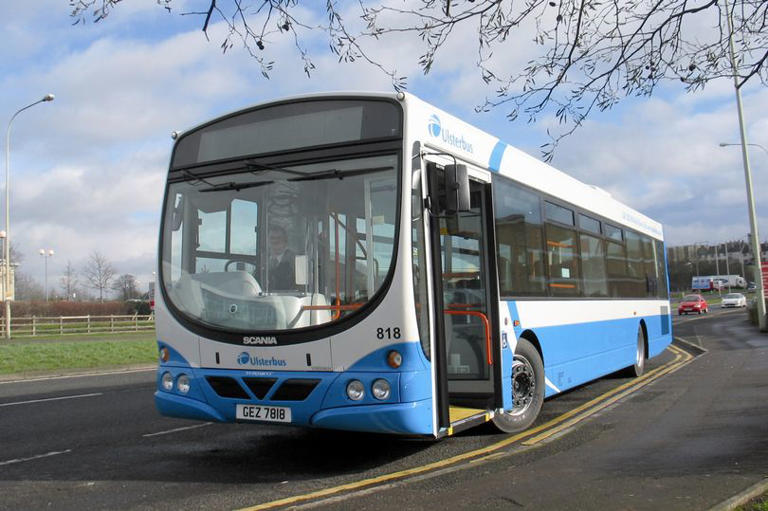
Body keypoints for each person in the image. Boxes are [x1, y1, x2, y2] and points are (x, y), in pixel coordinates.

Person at [268, 225, 296, 290]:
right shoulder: (263, 261)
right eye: (272, 238)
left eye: (278, 238)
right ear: (268, 241)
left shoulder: (294, 261)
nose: (275, 241)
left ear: (285, 241)